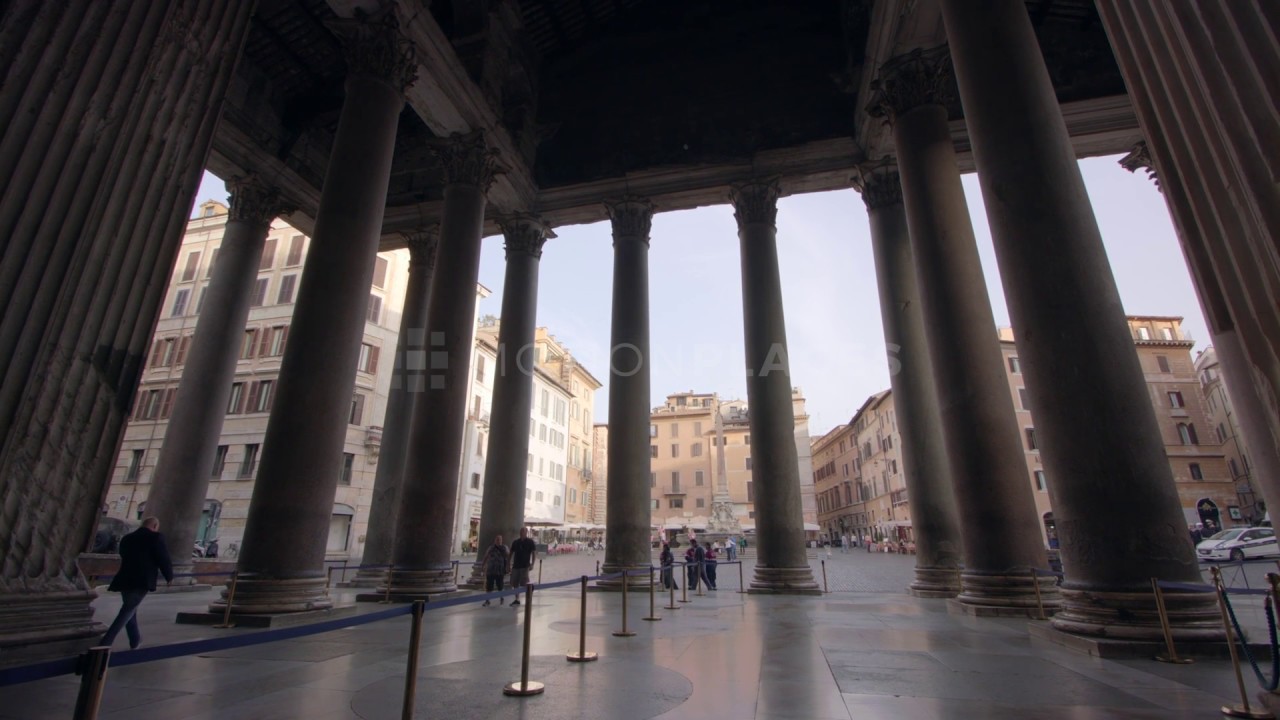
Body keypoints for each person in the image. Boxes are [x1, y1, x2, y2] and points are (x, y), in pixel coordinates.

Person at [100, 516, 173, 650]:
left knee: (130, 608)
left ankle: (135, 640)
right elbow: (163, 558)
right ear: (155, 526)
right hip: (142, 579)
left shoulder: (127, 538)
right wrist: (169, 576)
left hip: (124, 577)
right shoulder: (155, 537)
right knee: (127, 610)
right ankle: (105, 642)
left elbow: (123, 554)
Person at [509, 527, 536, 606]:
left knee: (525, 582)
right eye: (521, 531)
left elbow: (534, 553)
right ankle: (517, 599)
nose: (522, 532)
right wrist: (508, 564)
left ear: (526, 532)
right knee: (515, 583)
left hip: (525, 566)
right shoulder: (516, 542)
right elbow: (511, 553)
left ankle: (530, 592)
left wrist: (532, 564)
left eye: (523, 531)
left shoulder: (530, 542)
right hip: (516, 565)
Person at [481, 534, 509, 607]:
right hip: (491, 570)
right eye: (497, 539)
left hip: (500, 570)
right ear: (495, 540)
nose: (498, 541)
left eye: (500, 539)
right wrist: (483, 564)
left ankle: (501, 598)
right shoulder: (491, 548)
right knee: (489, 586)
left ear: (502, 540)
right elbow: (486, 556)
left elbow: (508, 556)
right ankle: (487, 600)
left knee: (500, 586)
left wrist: (508, 566)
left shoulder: (504, 548)